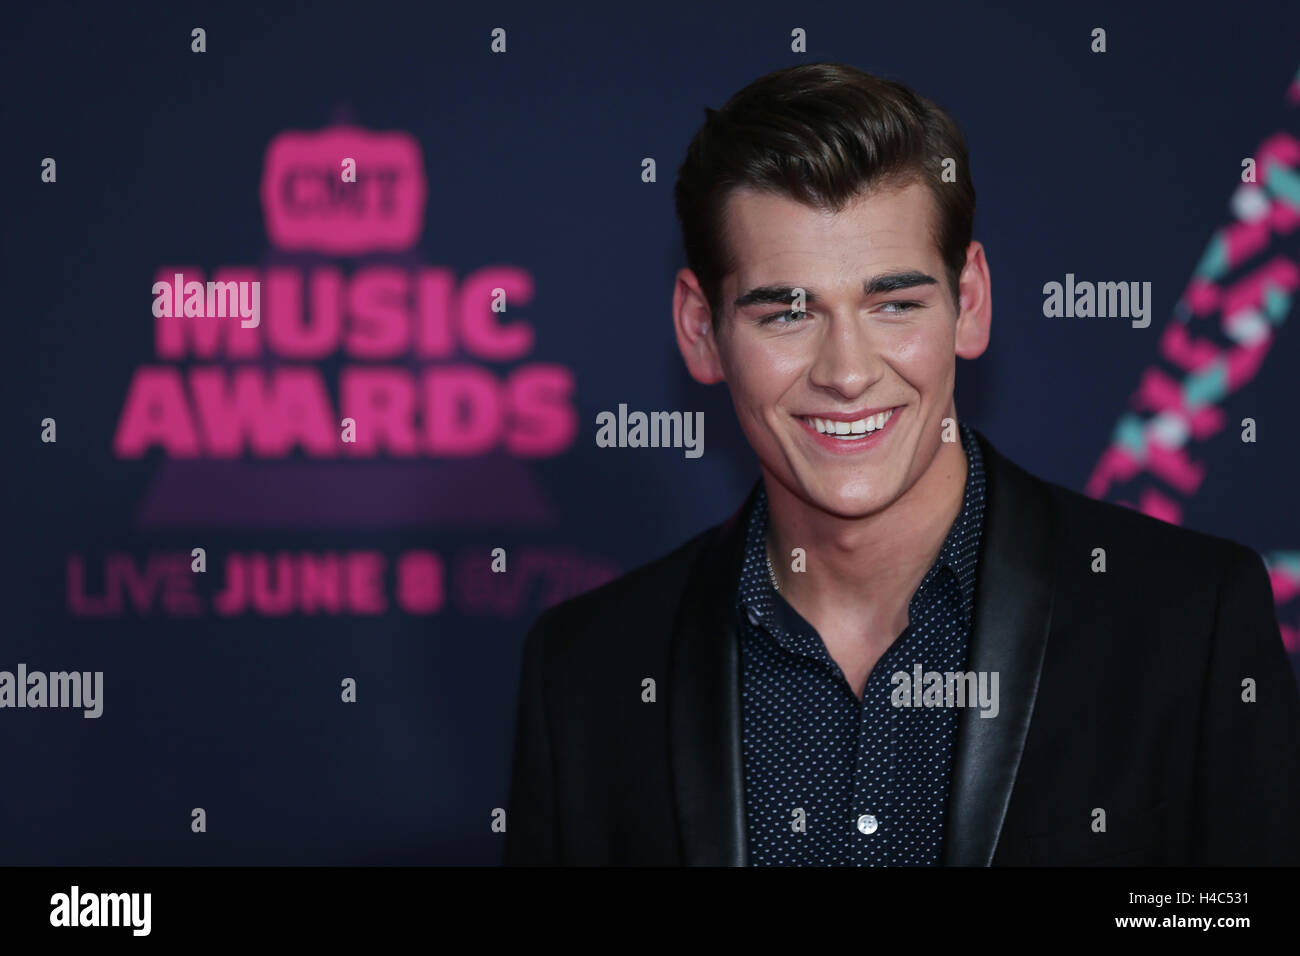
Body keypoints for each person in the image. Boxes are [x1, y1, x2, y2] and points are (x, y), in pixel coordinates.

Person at [503, 61, 1300, 865]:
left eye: (894, 305)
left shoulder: (1187, 623)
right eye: (787, 312)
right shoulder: (587, 676)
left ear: (972, 303)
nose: (847, 373)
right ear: (701, 331)